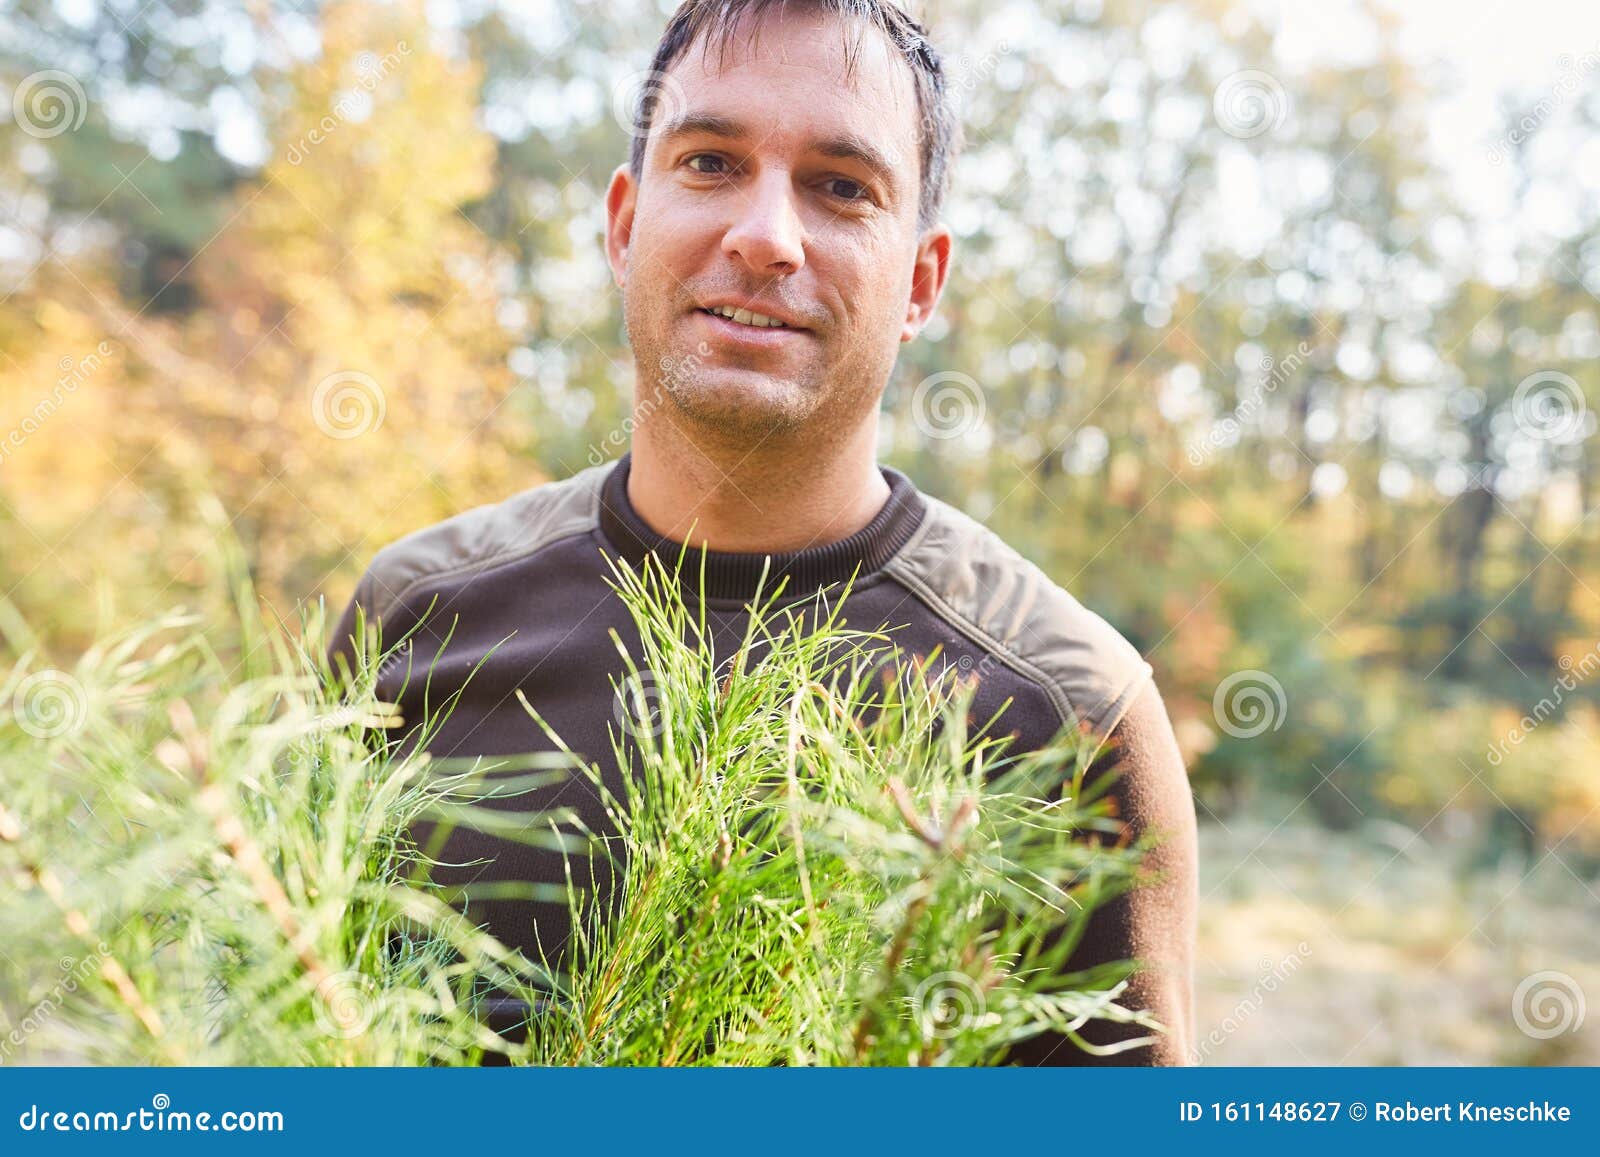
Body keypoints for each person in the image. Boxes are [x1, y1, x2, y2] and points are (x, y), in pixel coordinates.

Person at [327, 0, 1196, 1065]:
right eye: (708, 162)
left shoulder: (1067, 709)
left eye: (841, 187)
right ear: (622, 222)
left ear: (921, 281)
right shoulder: (414, 616)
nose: (765, 237)